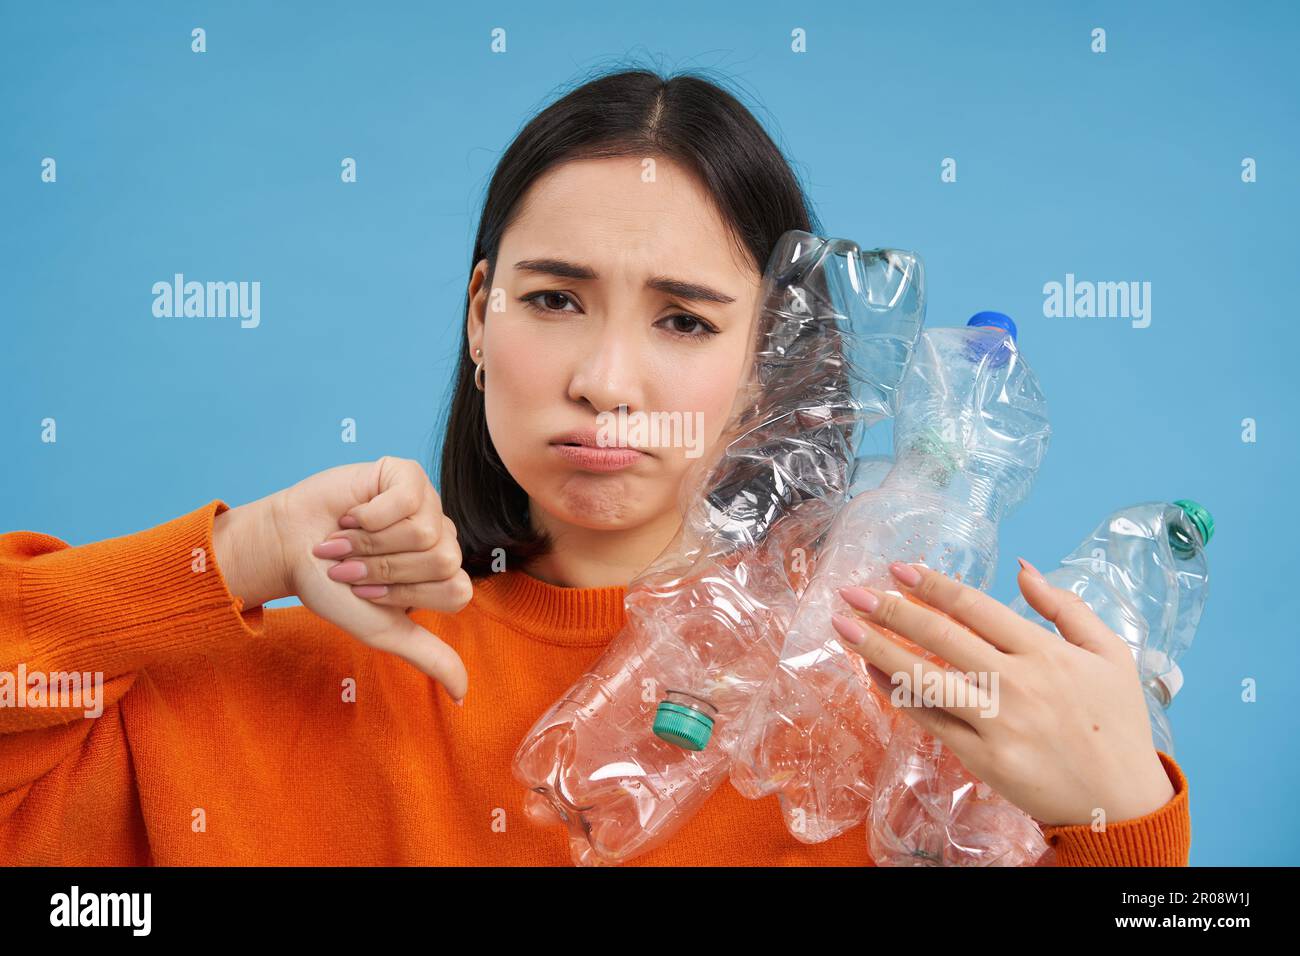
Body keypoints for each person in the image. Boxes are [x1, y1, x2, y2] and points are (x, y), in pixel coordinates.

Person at [0, 67, 1188, 866]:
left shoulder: (897, 720)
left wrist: (1117, 814)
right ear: (479, 317)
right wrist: (241, 551)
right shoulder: (291, 679)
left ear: (776, 359)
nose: (605, 378)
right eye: (555, 299)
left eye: (683, 319)